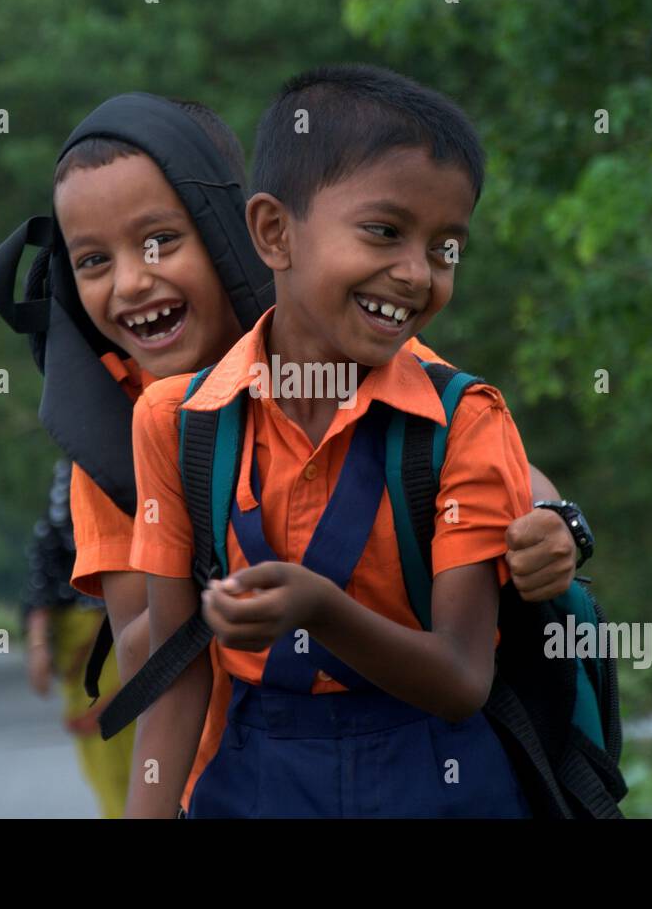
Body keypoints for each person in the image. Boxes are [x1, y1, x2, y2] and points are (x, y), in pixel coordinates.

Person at [0, 89, 589, 817]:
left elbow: (481, 451)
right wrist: (224, 586)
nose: (132, 281)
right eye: (93, 261)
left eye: (161, 243)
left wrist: (560, 522)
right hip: (230, 771)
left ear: (238, 234)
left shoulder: (347, 344)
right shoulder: (136, 432)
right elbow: (152, 660)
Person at [126, 64, 552, 817]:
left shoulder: (464, 422)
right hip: (259, 777)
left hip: (436, 772)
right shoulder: (177, 422)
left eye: (446, 248)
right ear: (274, 232)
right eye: (384, 232)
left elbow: (460, 679)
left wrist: (320, 610)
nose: (417, 274)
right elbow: (178, 673)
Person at [22, 459, 133, 819]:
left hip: (147, 617)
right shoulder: (73, 465)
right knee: (106, 754)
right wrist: (37, 643)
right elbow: (46, 552)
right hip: (83, 635)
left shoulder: (163, 433)